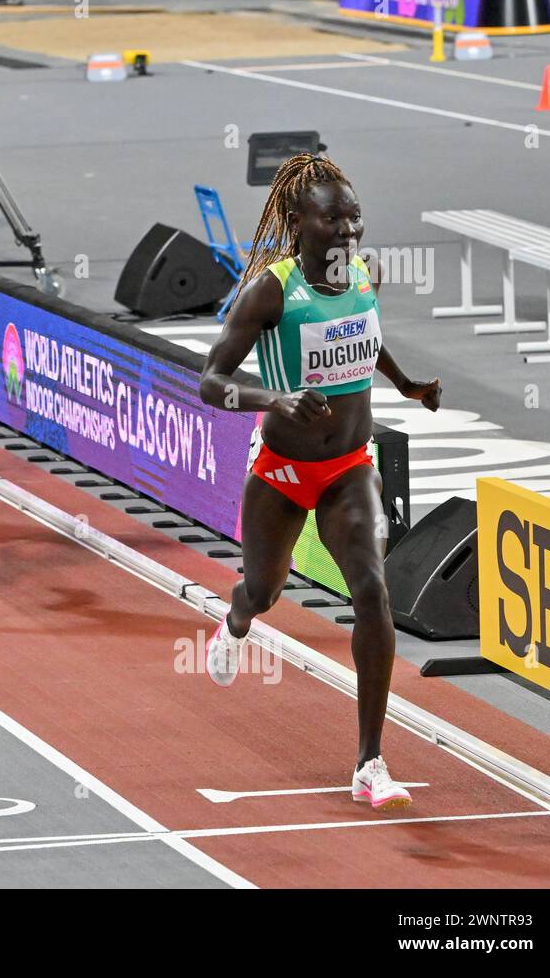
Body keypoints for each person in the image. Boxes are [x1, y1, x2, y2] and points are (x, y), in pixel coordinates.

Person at [198, 153, 442, 810]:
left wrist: (404, 381)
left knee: (371, 589)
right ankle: (237, 618)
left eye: (354, 216)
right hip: (281, 470)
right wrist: (274, 399)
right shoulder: (271, 293)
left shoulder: (369, 273)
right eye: (332, 219)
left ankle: (369, 761)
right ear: (296, 222)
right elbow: (211, 380)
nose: (348, 229)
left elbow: (365, 334)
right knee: (265, 589)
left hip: (348, 467)